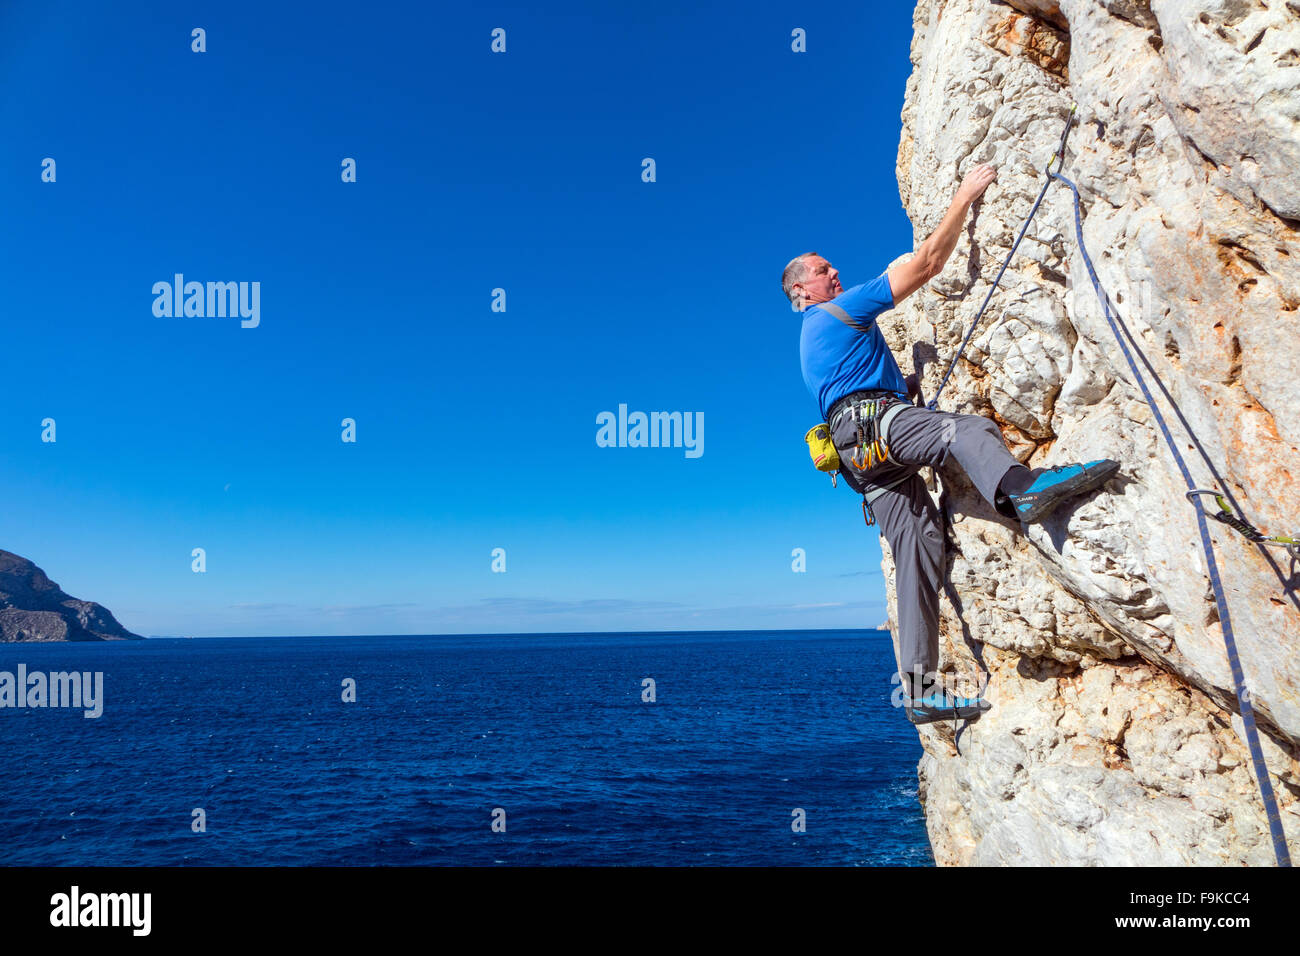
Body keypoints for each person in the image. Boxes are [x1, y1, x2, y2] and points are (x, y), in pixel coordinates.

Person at [783, 163, 1119, 726]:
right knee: (963, 431)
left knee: (919, 546)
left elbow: (854, 388)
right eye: (822, 269)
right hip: (876, 427)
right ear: (802, 290)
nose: (834, 271)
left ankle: (917, 688)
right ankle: (1022, 490)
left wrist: (903, 385)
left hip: (860, 454)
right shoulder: (840, 310)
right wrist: (964, 194)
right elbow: (928, 264)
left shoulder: (815, 340)